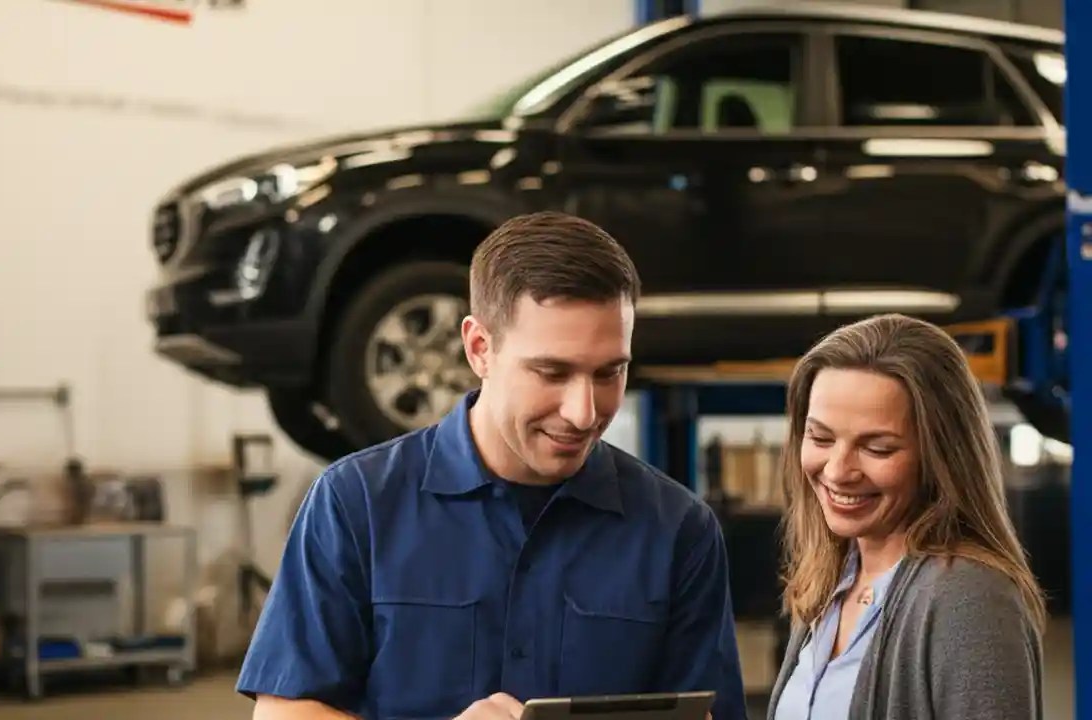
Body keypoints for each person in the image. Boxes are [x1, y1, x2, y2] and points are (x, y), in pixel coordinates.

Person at [236, 211, 746, 720]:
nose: (583, 411)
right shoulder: (355, 504)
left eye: (610, 372)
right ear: (480, 348)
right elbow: (285, 713)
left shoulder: (679, 530)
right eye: (552, 371)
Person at [766, 313, 1048, 720]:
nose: (838, 470)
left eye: (878, 448)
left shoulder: (968, 596)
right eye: (821, 438)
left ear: (940, 458)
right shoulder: (830, 584)